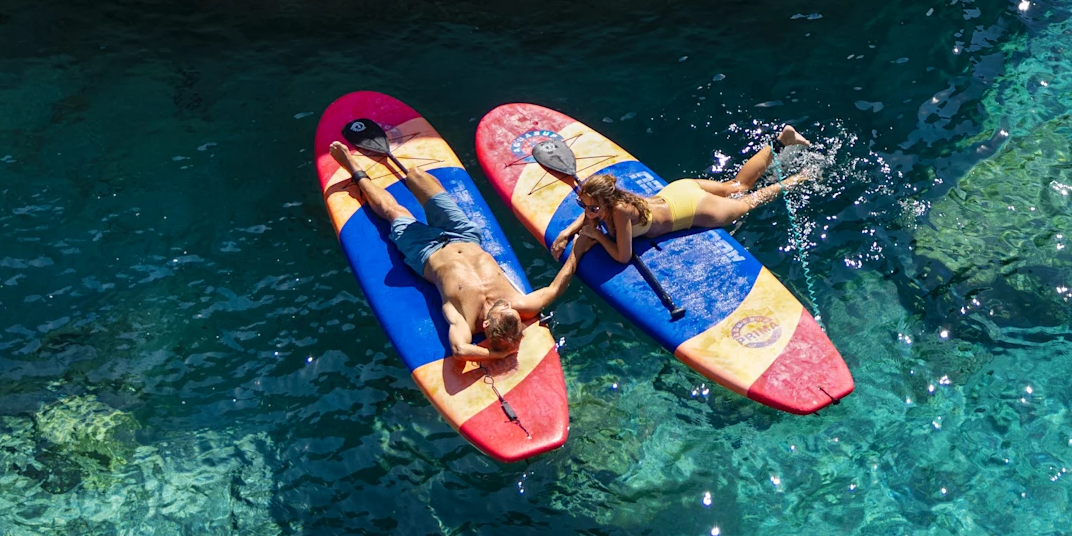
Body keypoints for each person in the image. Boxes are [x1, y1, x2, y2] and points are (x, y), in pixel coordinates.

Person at [329, 139, 578, 363]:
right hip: (463, 234)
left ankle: (353, 168)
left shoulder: (465, 319)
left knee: (394, 212)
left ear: (487, 323)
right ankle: (401, 171)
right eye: (510, 311)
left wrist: (497, 354)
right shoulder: (520, 304)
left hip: (425, 251)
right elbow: (555, 288)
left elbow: (460, 349)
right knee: (416, 176)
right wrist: (577, 250)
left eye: (504, 310)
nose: (507, 305)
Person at [555, 127, 816, 265]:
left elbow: (623, 257)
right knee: (736, 184)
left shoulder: (620, 212)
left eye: (591, 207)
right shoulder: (612, 199)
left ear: (606, 203)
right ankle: (781, 140)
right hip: (678, 189)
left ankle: (800, 177)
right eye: (583, 205)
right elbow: (590, 214)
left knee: (749, 200)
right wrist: (568, 233)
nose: (587, 212)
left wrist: (597, 235)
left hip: (692, 208)